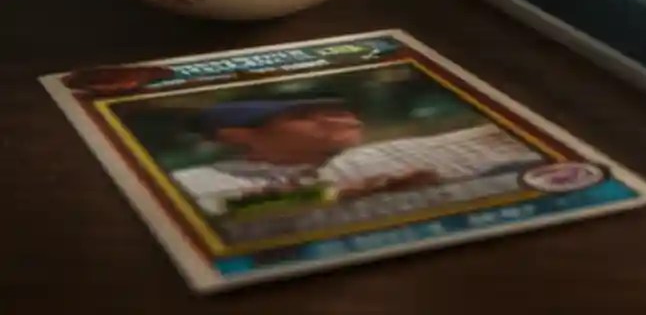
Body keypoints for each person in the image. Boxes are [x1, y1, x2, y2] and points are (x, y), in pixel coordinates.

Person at [169, 97, 543, 215]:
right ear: (237, 136)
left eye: (336, 108)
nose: (337, 117)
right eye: (303, 115)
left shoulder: (369, 155)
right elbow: (222, 208)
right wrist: (346, 195)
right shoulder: (201, 178)